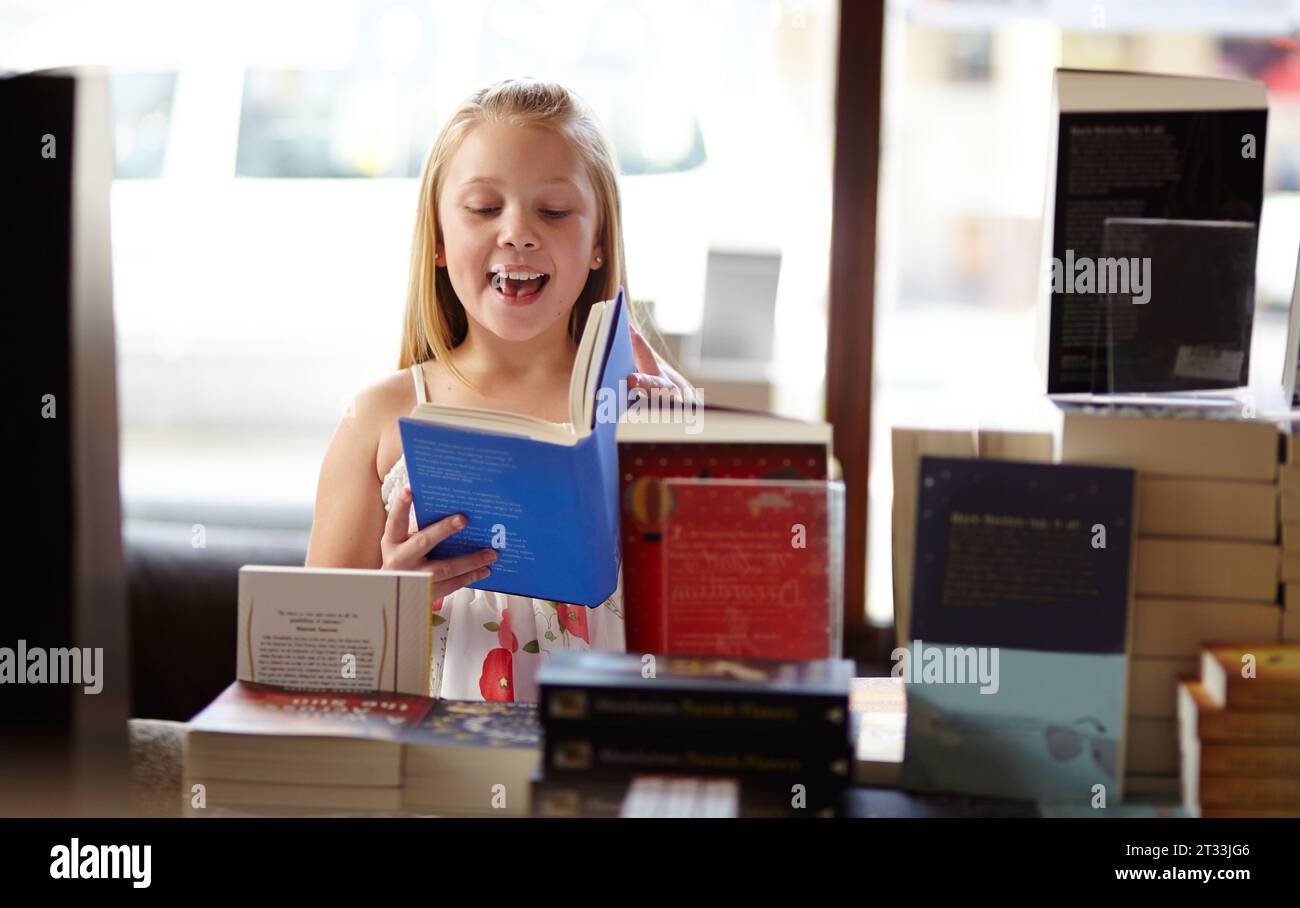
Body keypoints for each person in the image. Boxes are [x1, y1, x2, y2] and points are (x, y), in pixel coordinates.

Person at [305, 78, 693, 703]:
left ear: (599, 244)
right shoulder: (378, 419)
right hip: (434, 777)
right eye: (485, 208)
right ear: (437, 239)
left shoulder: (650, 408)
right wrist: (392, 599)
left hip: (612, 764)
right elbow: (305, 669)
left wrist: (695, 462)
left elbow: (728, 637)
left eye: (555, 211)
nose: (517, 232)